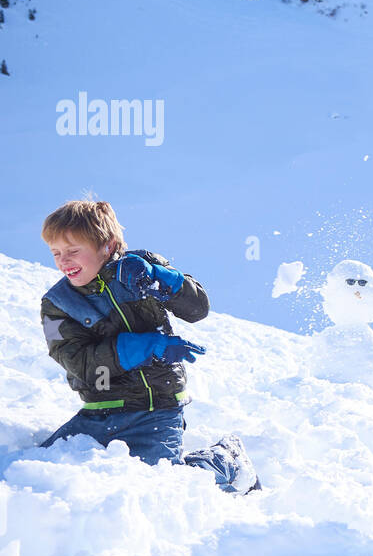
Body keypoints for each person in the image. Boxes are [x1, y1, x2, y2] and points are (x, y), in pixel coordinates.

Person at [37, 199, 259, 494]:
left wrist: (161, 277)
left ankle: (224, 461)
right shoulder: (58, 304)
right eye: (56, 253)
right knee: (42, 467)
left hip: (158, 409)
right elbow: (79, 362)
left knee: (162, 488)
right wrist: (148, 346)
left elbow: (197, 309)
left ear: (107, 245)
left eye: (73, 251)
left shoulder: (142, 268)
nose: (63, 261)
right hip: (99, 412)